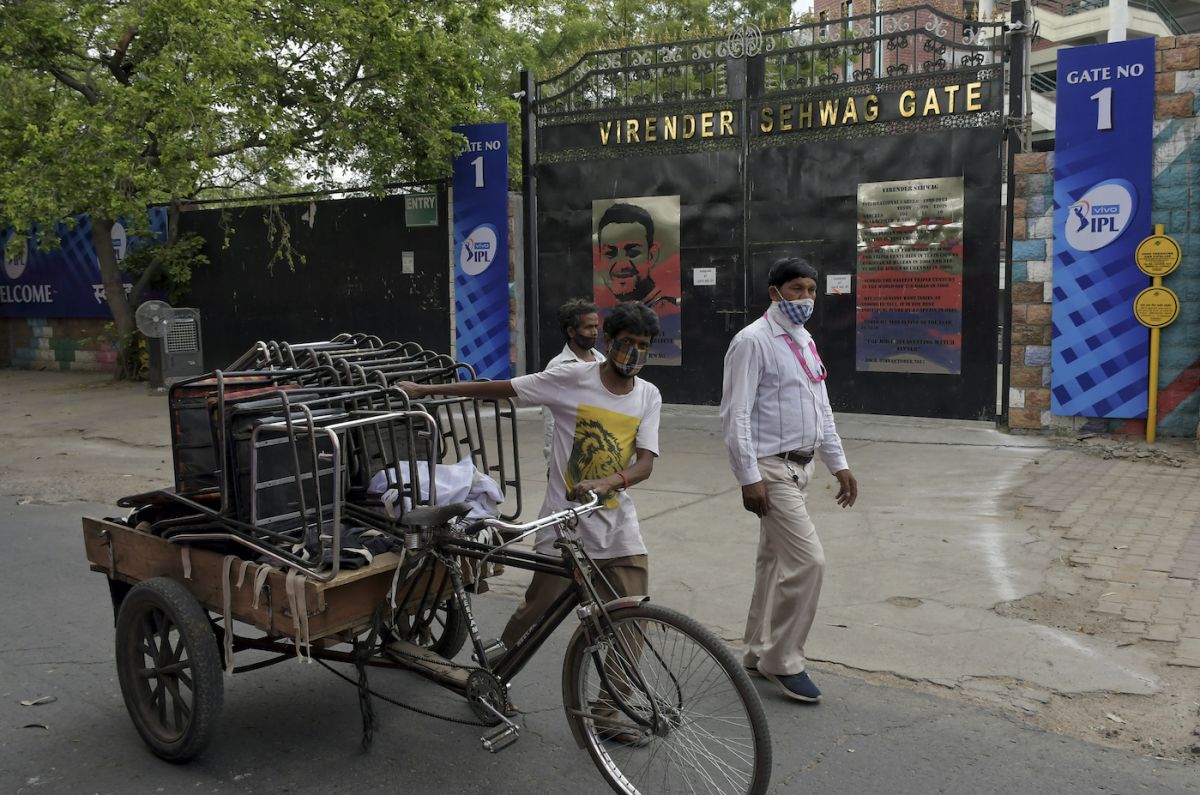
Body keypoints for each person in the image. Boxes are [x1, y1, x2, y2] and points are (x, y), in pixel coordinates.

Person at [398, 301, 662, 660]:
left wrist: (610, 482)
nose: (635, 353)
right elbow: (502, 388)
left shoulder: (648, 395)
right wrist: (427, 392)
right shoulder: (570, 376)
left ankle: (609, 712)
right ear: (610, 339)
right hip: (564, 525)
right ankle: (495, 665)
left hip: (619, 529)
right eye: (628, 341)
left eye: (644, 346)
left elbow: (644, 464)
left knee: (630, 622)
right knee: (536, 613)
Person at [719, 256, 858, 704]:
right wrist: (748, 476)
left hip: (802, 466)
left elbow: (822, 406)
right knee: (809, 562)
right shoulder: (752, 342)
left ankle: (758, 652)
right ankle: (784, 660)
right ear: (773, 292)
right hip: (771, 469)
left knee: (774, 562)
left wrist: (839, 463)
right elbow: (735, 414)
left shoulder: (804, 338)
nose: (806, 299)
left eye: (812, 290)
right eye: (796, 289)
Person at [542, 298, 606, 464]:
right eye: (588, 327)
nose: (595, 332)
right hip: (569, 455)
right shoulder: (558, 367)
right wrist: (552, 458)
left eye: (596, 326)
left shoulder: (601, 360)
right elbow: (551, 419)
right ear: (571, 331)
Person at [596, 202, 679, 309]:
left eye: (633, 253)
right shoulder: (601, 315)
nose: (621, 265)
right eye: (609, 253)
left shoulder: (668, 313)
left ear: (652, 256)